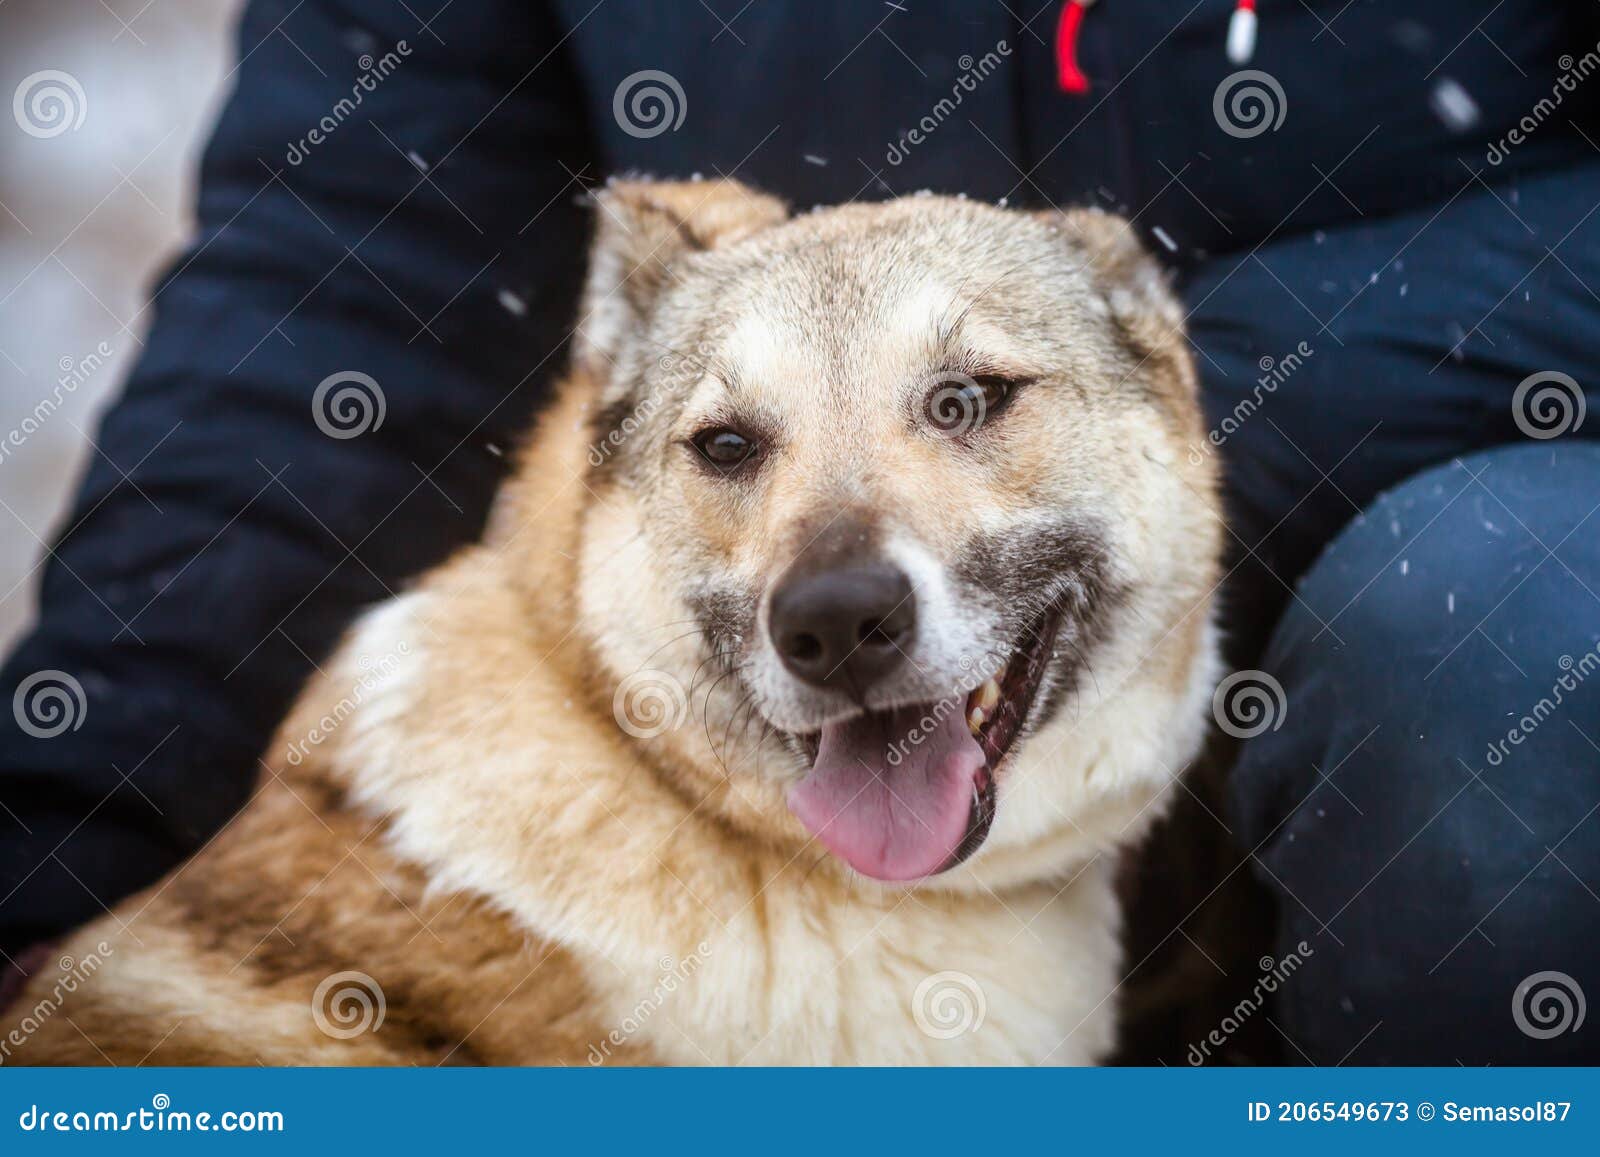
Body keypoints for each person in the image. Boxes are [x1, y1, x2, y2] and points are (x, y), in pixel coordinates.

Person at [2, 0, 1597, 1064]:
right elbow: (346, 286)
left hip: (1427, 583)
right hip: (846, 798)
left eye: (976, 395)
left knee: (1494, 651)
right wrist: (70, 840)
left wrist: (1170, 396)